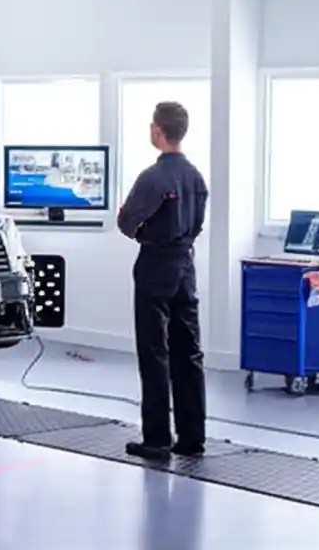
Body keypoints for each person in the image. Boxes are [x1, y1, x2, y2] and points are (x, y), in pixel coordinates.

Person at [117, 101, 210, 461]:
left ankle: (156, 439)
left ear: (158, 131)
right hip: (186, 266)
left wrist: (144, 233)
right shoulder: (196, 177)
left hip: (156, 265)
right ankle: (192, 438)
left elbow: (127, 223)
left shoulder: (152, 178)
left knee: (154, 351)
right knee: (190, 352)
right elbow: (197, 224)